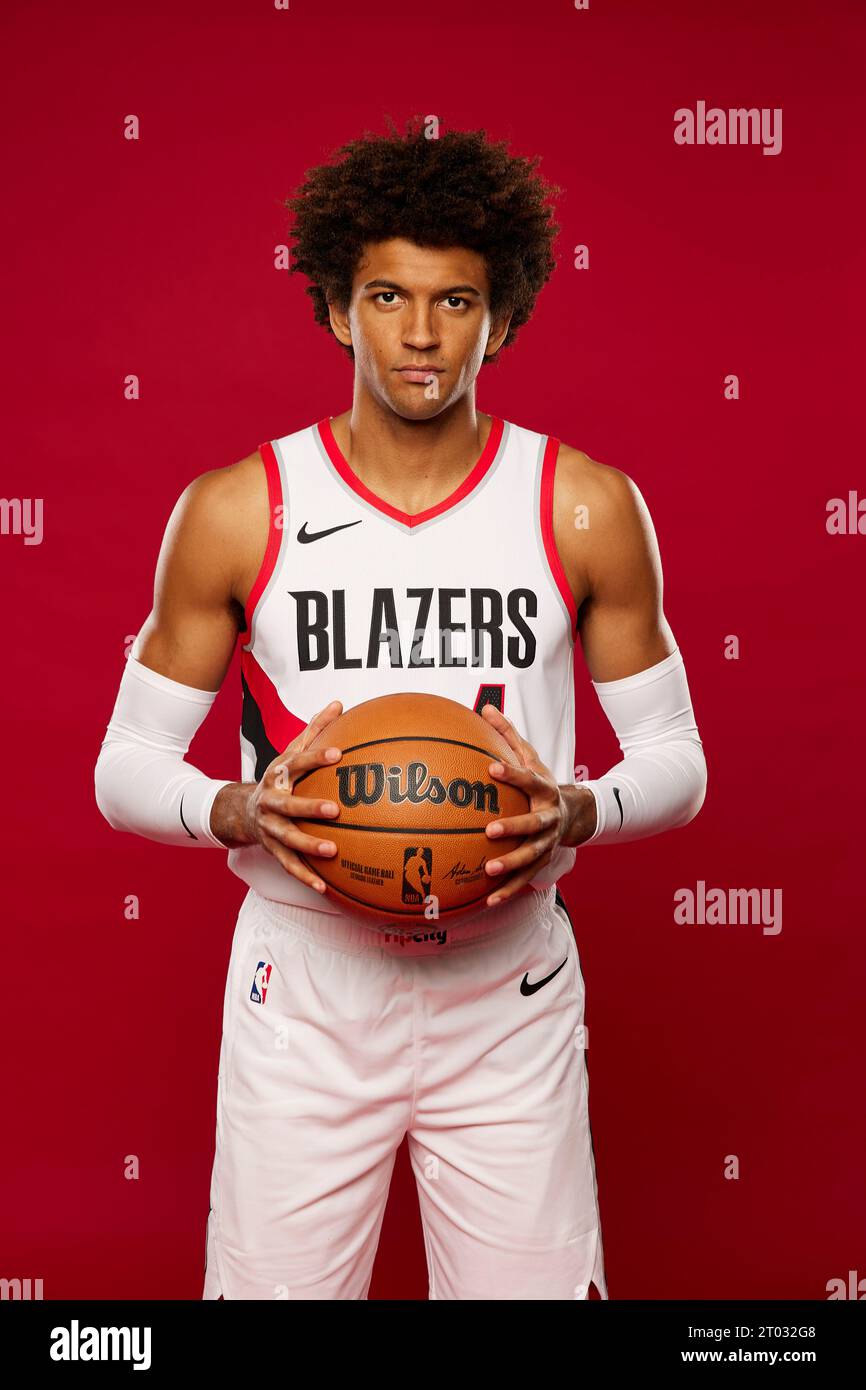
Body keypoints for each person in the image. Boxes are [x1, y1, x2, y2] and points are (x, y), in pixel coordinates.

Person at [94, 118, 707, 1301]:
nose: (419, 336)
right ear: (333, 307)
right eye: (386, 295)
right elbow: (125, 764)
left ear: (506, 318)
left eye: (455, 302)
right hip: (306, 987)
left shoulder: (579, 504)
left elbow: (677, 759)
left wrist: (579, 807)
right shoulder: (238, 507)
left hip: (507, 984)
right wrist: (235, 807)